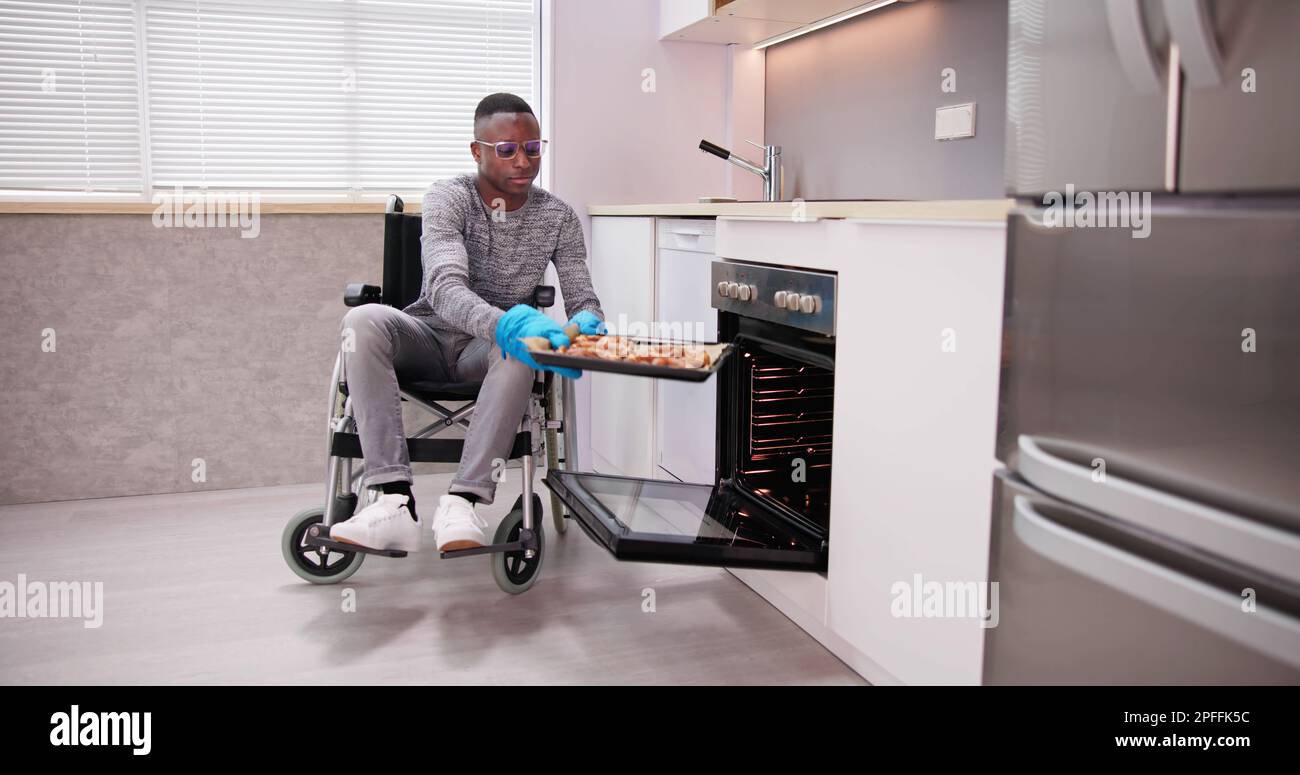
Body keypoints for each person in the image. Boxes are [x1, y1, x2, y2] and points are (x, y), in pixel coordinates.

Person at [329, 92, 604, 553]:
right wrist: (508, 323)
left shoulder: (558, 216)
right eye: (507, 149)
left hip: (488, 356)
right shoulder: (448, 197)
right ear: (477, 151)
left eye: (533, 148)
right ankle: (392, 501)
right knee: (363, 320)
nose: (523, 160)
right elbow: (444, 289)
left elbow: (584, 297)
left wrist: (586, 326)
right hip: (428, 337)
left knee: (521, 351)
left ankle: (463, 502)